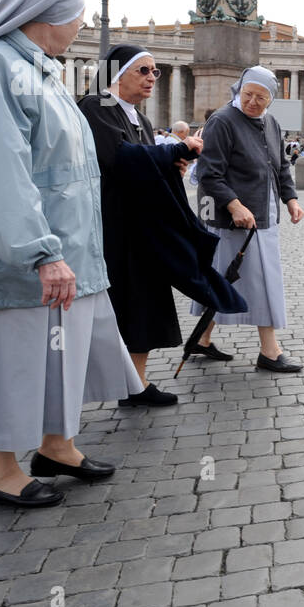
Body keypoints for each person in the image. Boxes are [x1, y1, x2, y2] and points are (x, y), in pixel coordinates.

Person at [0, 0, 138, 508]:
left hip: (69, 248)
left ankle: (56, 446)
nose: (83, 25)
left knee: (59, 360)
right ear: (46, 14)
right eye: (78, 15)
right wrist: (40, 252)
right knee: (16, 358)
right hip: (23, 261)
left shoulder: (40, 71)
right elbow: (0, 171)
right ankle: (1, 470)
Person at [79, 43, 214, 407]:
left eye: (155, 71)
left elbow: (146, 165)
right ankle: (110, 384)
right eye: (144, 70)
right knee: (122, 303)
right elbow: (119, 157)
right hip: (114, 223)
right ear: (115, 75)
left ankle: (135, 383)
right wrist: (174, 151)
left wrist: (171, 166)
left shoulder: (141, 117)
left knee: (145, 304)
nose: (153, 77)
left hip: (142, 225)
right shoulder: (98, 105)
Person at [192, 66, 304, 373]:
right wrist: (234, 205)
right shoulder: (222, 121)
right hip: (235, 221)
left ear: (271, 100)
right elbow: (208, 173)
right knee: (257, 280)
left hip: (264, 216)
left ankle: (202, 338)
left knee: (224, 278)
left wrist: (291, 199)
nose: (252, 102)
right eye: (248, 94)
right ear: (239, 89)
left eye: (261, 97)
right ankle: (270, 351)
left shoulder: (271, 122)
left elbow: (281, 168)